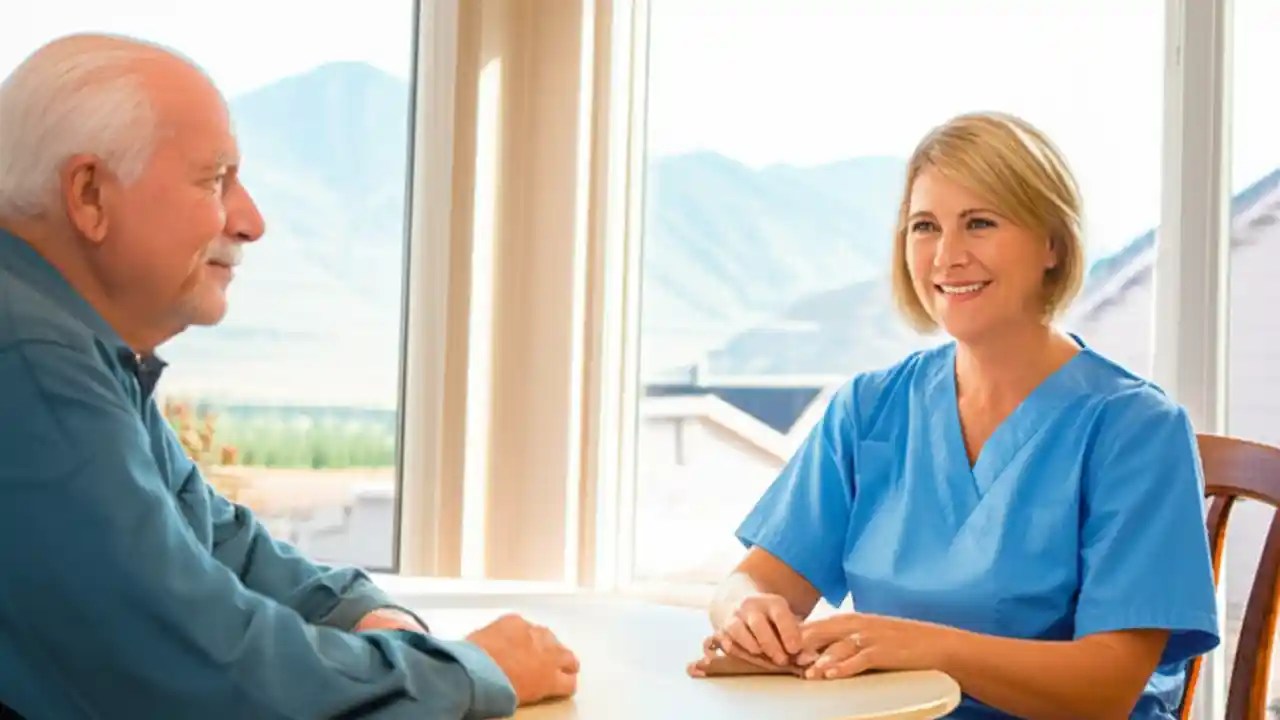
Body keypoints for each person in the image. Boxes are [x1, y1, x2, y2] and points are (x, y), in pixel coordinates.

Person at [0, 33, 577, 719]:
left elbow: (218, 541)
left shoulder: (75, 347)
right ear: (90, 194)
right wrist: (472, 669)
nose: (252, 221)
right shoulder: (31, 362)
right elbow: (213, 673)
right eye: (215, 180)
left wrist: (364, 615)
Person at [689, 111, 1220, 719]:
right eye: (925, 226)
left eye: (980, 224)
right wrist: (745, 614)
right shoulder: (868, 410)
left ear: (1052, 244)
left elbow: (1104, 689)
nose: (947, 255)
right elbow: (751, 582)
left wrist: (916, 646)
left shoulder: (1136, 430)